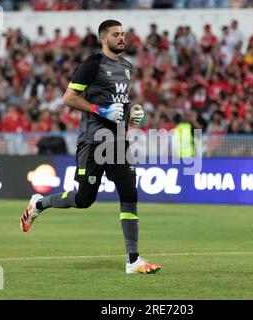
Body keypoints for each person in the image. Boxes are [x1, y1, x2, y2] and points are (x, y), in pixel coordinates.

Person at [20, 20, 161, 275]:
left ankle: (133, 260)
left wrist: (132, 114)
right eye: (116, 35)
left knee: (129, 193)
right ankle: (39, 204)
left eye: (123, 34)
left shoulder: (127, 67)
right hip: (93, 141)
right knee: (85, 199)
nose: (122, 38)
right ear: (103, 39)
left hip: (118, 140)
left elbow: (120, 103)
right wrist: (100, 110)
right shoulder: (92, 64)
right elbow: (69, 97)